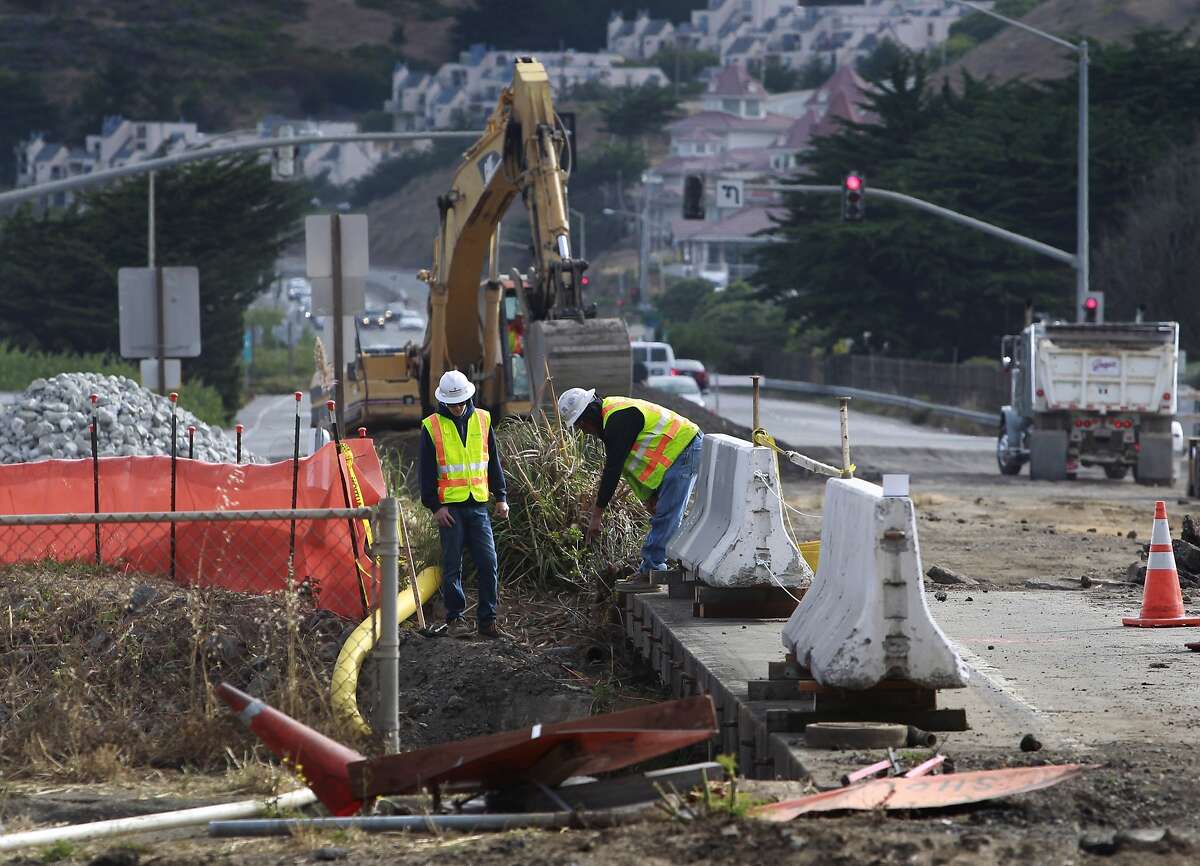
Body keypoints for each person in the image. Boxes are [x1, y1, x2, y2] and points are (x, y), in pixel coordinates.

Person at [557, 388, 703, 577]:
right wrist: (650, 496)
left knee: (668, 515)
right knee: (667, 514)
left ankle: (651, 569)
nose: (584, 431)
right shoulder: (611, 418)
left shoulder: (619, 420)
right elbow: (630, 466)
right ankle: (666, 565)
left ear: (588, 416)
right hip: (678, 451)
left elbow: (613, 470)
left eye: (581, 425)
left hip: (685, 447)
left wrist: (596, 516)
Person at [419, 370, 509, 638]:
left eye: (460, 402)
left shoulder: (483, 419)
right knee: (452, 565)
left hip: (479, 504)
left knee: (488, 563)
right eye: (452, 403)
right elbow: (425, 472)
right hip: (450, 509)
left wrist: (501, 497)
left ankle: (487, 621)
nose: (457, 408)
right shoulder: (431, 426)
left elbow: (493, 461)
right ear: (443, 401)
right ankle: (455, 618)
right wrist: (435, 507)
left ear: (469, 397)